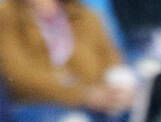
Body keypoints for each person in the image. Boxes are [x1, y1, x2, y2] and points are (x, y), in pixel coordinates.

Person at [0, 0, 132, 112]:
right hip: (44, 109)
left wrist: (118, 85)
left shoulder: (83, 13)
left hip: (101, 100)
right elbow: (19, 76)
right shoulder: (6, 17)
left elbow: (110, 58)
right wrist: (83, 95)